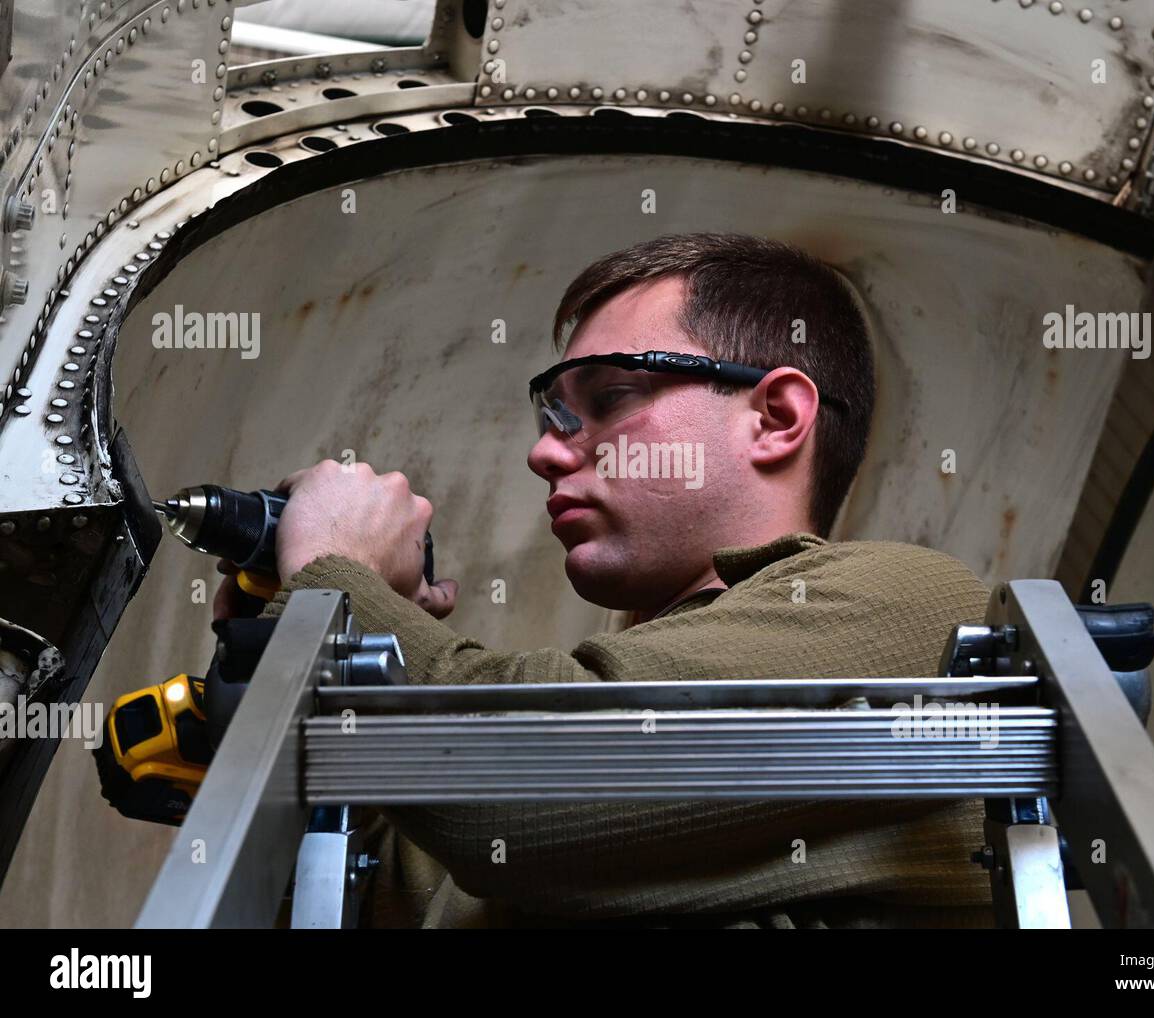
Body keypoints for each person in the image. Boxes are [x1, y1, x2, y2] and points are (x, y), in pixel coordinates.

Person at [217, 232, 996, 928]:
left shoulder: (910, 604)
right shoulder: (575, 748)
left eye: (610, 397)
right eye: (553, 416)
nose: (546, 454)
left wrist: (338, 571)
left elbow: (515, 792)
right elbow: (360, 890)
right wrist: (301, 645)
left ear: (777, 417)